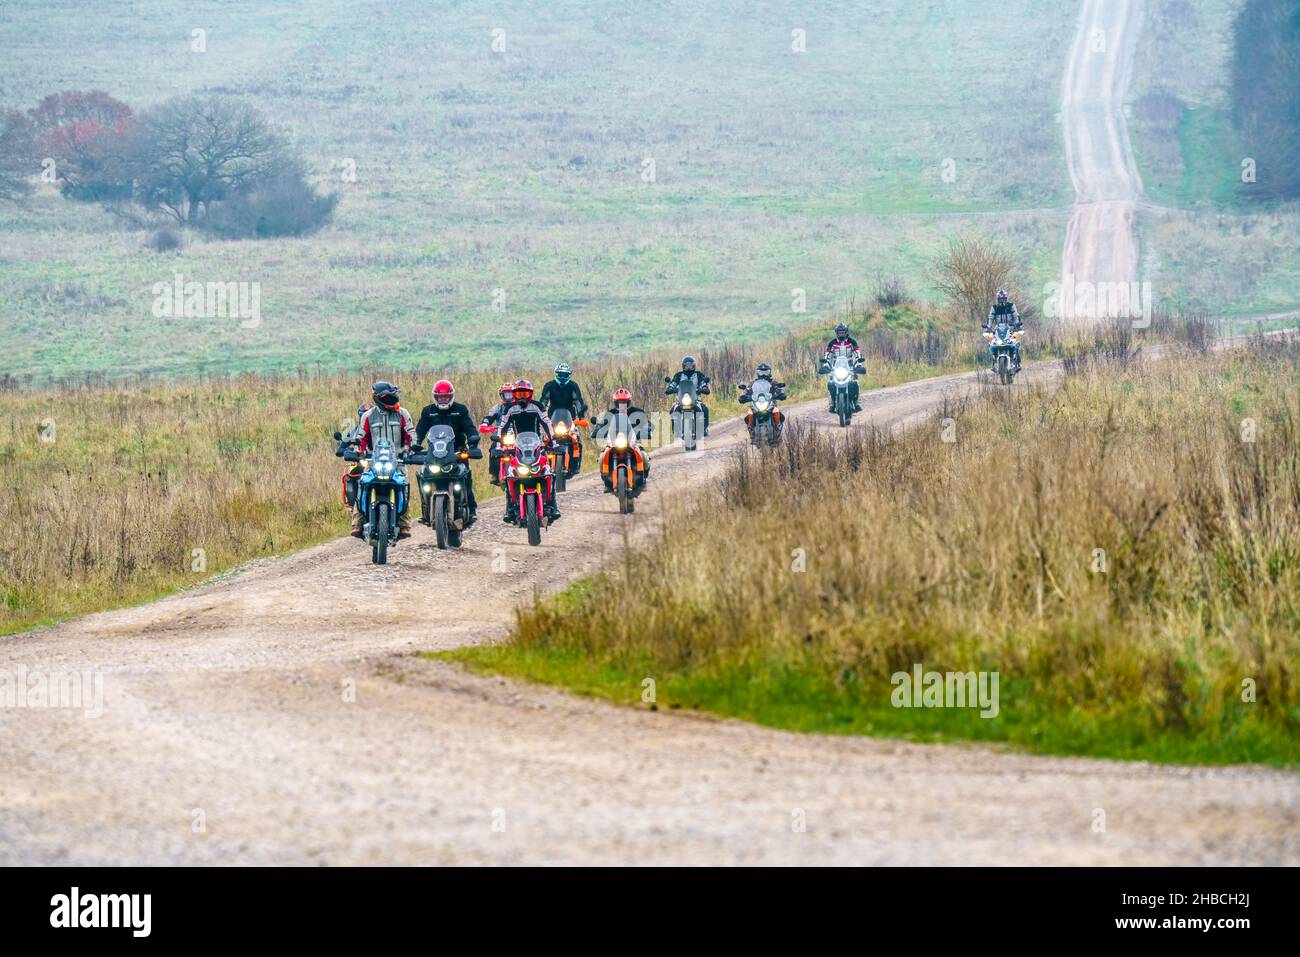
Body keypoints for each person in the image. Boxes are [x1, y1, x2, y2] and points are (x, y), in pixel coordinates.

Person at [351, 381, 417, 539]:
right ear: (378, 398)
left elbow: (411, 434)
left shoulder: (402, 413)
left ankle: (404, 524)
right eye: (389, 396)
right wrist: (357, 451)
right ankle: (357, 522)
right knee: (362, 484)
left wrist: (413, 448)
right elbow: (361, 438)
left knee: (404, 486)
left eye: (394, 395)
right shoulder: (368, 416)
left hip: (398, 461)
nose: (393, 398)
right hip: (374, 461)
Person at [415, 379, 480, 525]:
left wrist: (473, 441)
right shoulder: (428, 411)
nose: (443, 399)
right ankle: (425, 511)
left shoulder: (460, 410)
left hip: (456, 453)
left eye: (445, 396)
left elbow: (469, 427)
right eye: (440, 397)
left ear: (451, 396)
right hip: (434, 454)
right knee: (423, 476)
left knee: (466, 477)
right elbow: (420, 430)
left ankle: (471, 508)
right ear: (435, 397)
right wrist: (415, 444)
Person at [497, 379, 561, 523]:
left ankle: (553, 505)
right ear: (515, 395)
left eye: (525, 394)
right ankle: (509, 508)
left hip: (536, 445)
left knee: (549, 471)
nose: (522, 397)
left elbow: (547, 424)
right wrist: (499, 445)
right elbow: (502, 427)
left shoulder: (537, 406)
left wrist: (554, 442)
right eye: (519, 394)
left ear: (530, 394)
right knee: (510, 475)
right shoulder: (510, 409)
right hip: (518, 446)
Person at [594, 387, 652, 493]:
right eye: (619, 402)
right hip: (614, 443)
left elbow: (647, 424)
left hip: (632, 442)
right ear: (615, 403)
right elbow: (602, 425)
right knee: (602, 457)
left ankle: (643, 481)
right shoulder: (610, 414)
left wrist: (647, 430)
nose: (622, 405)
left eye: (625, 402)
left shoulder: (638, 412)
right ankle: (607, 482)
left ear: (629, 402)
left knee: (643, 456)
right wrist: (598, 430)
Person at [539, 362, 587, 475]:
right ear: (556, 374)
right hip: (552, 417)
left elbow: (578, 401)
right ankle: (542, 465)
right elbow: (543, 401)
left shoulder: (573, 386)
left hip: (570, 417)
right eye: (560, 374)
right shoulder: (549, 385)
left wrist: (581, 416)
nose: (562, 377)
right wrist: (541, 414)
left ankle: (575, 464)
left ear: (569, 375)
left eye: (565, 375)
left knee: (576, 439)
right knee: (545, 440)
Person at [665, 355, 711, 436]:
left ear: (693, 365)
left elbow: (703, 383)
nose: (688, 367)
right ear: (683, 366)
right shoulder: (678, 375)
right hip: (680, 400)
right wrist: (671, 388)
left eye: (690, 365)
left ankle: (704, 429)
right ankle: (675, 430)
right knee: (673, 410)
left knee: (704, 408)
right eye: (686, 365)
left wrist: (703, 388)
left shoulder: (699, 374)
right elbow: (673, 383)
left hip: (696, 399)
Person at [480, 382, 515, 485]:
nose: (508, 397)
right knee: (493, 449)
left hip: (517, 434)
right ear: (502, 395)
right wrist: (485, 424)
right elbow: (489, 417)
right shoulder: (498, 407)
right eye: (506, 394)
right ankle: (495, 474)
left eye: (511, 394)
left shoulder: (519, 406)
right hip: (501, 435)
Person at [823, 323, 862, 412]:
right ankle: (832, 404)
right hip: (836, 367)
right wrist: (826, 364)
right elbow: (827, 355)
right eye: (840, 333)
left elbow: (857, 353)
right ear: (837, 333)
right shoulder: (832, 343)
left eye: (843, 332)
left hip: (850, 366)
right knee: (830, 383)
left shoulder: (852, 342)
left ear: (846, 332)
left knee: (855, 383)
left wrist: (859, 362)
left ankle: (857, 403)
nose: (841, 334)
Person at [984, 289, 1023, 371]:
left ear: (1006, 298)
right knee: (992, 344)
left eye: (1003, 299)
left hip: (1011, 329)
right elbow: (990, 318)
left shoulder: (1011, 306)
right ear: (998, 299)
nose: (1002, 301)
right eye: (1000, 299)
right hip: (998, 330)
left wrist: (1018, 325)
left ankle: (1017, 363)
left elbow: (1016, 316)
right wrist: (988, 327)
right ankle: (994, 363)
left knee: (1016, 344)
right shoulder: (994, 308)